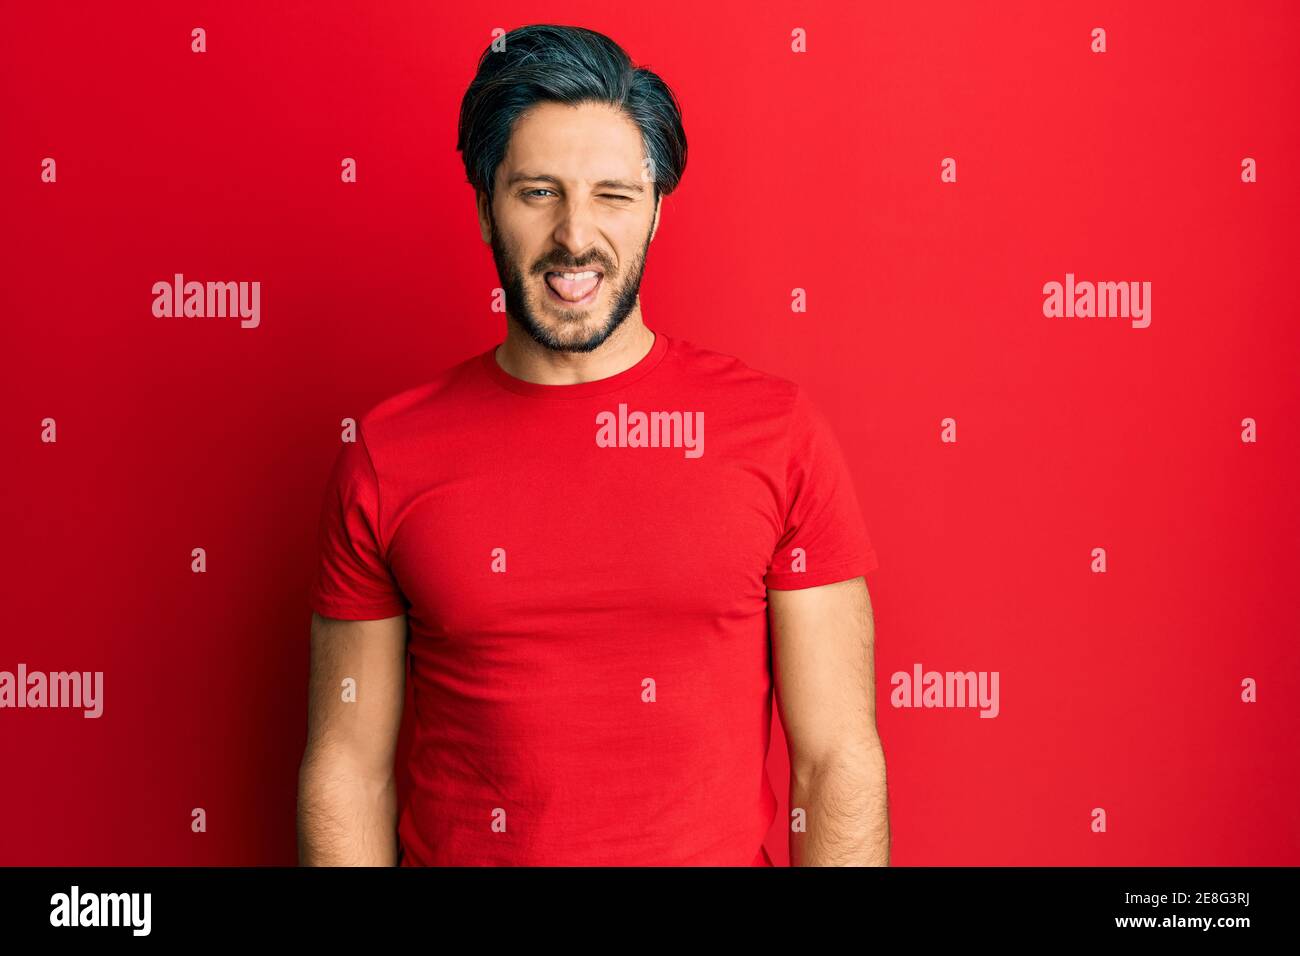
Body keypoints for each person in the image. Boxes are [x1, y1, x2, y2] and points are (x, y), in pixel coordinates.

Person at [297, 23, 889, 866]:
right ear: (483, 208)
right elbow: (346, 771)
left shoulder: (778, 435)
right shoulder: (387, 455)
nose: (576, 235)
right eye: (538, 192)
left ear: (656, 212)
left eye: (613, 194)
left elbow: (837, 763)